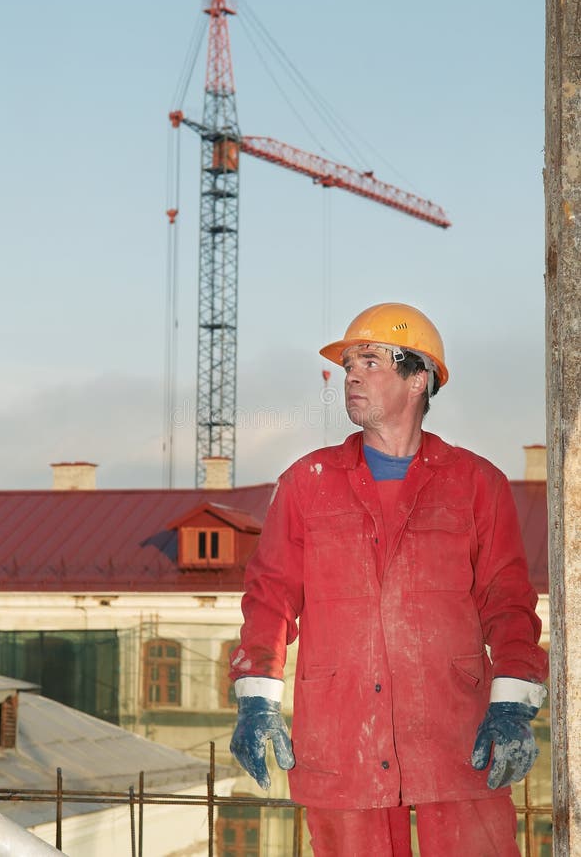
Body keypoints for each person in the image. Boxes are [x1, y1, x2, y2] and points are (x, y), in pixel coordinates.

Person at [229, 303, 548, 856]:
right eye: (349, 362)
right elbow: (270, 597)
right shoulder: (307, 483)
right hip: (343, 742)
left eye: (370, 361)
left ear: (418, 377)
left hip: (459, 739)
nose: (350, 374)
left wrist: (512, 704)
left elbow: (509, 602)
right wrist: (257, 700)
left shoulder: (477, 484)